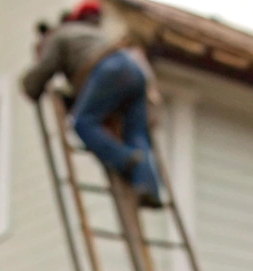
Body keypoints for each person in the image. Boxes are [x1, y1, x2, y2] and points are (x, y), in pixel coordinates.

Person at [23, 0, 164, 207]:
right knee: (136, 133)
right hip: (133, 69)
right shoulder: (95, 35)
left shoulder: (60, 35)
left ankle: (126, 160)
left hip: (108, 70)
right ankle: (148, 186)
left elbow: (41, 74)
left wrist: (27, 85)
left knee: (83, 123)